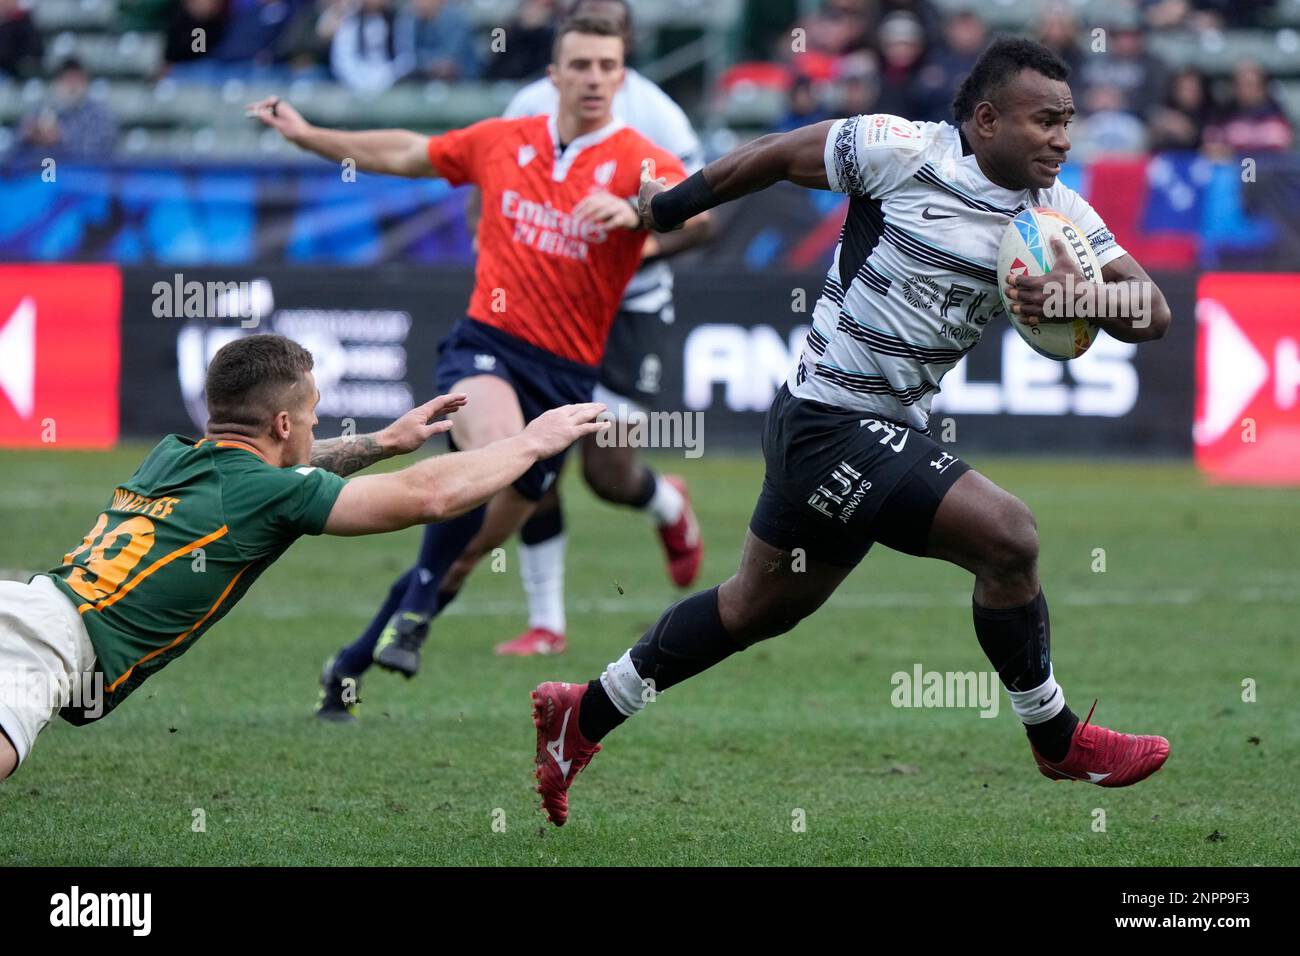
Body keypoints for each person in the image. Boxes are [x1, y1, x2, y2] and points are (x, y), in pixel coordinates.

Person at [530, 37, 1174, 827]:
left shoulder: (1059, 214)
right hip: (830, 423)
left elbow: (1152, 312)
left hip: (873, 429)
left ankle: (583, 714)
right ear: (985, 120)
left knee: (753, 609)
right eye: (1045, 121)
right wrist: (660, 210)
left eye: (1069, 122)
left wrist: (1084, 301)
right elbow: (770, 155)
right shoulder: (898, 150)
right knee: (1009, 537)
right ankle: (1057, 736)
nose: (1063, 140)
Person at [249, 15, 706, 718]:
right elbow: (406, 151)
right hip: (488, 344)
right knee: (495, 452)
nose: (592, 78)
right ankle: (423, 604)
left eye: (606, 66)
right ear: (552, 75)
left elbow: (695, 216)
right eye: (579, 64)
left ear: (623, 75)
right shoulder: (502, 140)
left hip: (566, 376)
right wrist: (311, 135)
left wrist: (645, 212)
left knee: (471, 542)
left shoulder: (639, 160)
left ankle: (354, 659)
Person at [0, 333, 605, 781]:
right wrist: (529, 442)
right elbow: (431, 495)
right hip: (43, 647)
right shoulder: (272, 495)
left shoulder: (172, 455)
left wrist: (383, 442)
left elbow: (283, 474)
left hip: (27, 605)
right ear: (284, 422)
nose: (318, 424)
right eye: (313, 414)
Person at [491, 0, 714, 657]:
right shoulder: (526, 104)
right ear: (560, 54)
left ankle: (668, 504)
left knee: (607, 471)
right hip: (547, 308)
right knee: (536, 458)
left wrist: (635, 246)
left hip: (630, 310)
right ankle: (546, 625)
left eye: (607, 49)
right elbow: (489, 193)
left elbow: (707, 220)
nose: (593, 73)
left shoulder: (657, 116)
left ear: (626, 44)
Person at [19, 59, 118, 160]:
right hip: (45, 171)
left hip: (84, 172)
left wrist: (60, 138)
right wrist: (32, 135)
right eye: (67, 79)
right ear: (57, 82)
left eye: (77, 79)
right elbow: (18, 143)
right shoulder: (42, 109)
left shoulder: (100, 115)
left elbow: (101, 151)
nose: (72, 85)